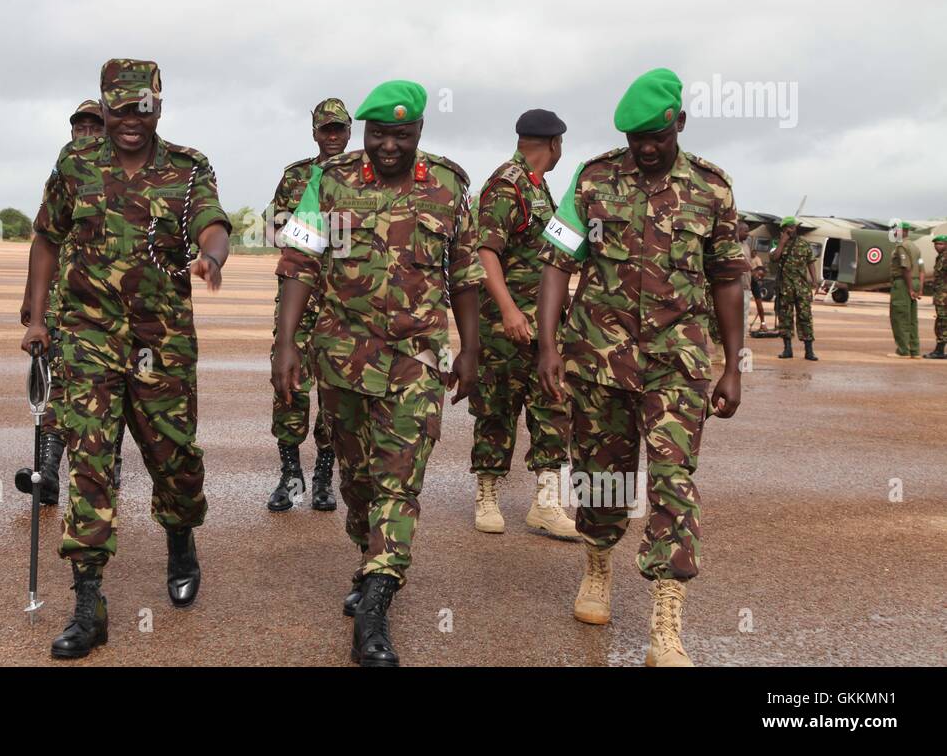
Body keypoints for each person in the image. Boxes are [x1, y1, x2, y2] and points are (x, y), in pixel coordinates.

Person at [21, 59, 232, 660]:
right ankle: (89, 603)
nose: (131, 121)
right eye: (120, 109)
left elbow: (214, 224)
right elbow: (47, 236)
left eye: (142, 108)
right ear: (105, 108)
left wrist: (211, 258)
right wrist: (37, 318)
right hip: (88, 337)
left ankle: (181, 535)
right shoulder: (74, 164)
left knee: (174, 457)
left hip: (159, 343)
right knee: (89, 460)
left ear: (159, 106)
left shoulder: (188, 169)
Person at [536, 68, 748, 667]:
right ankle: (598, 566)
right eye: (636, 139)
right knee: (601, 474)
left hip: (677, 363)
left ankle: (666, 617)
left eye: (656, 136)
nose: (646, 148)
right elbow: (557, 263)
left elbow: (729, 278)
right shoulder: (593, 179)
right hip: (598, 358)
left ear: (678, 123)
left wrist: (732, 365)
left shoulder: (713, 189)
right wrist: (548, 345)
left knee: (673, 481)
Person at [272, 79, 482, 667]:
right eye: (379, 134)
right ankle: (368, 559)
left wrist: (470, 348)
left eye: (402, 134)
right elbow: (299, 263)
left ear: (420, 131)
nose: (389, 145)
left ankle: (376, 608)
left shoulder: (447, 185)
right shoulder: (329, 180)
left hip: (417, 360)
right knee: (359, 485)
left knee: (399, 482)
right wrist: (286, 345)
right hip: (342, 357)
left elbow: (464, 273)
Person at [468, 108, 577, 539]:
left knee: (553, 406)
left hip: (543, 328)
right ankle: (487, 494)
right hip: (503, 328)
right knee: (496, 408)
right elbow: (485, 251)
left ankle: (546, 502)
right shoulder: (506, 185)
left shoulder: (538, 188)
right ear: (553, 144)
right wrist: (511, 310)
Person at [16, 100, 125, 506]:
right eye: (79, 127)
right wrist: (33, 301)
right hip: (65, 300)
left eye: (93, 126)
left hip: (111, 304)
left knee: (113, 386)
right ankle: (49, 474)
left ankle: (109, 463)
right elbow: (44, 237)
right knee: (58, 382)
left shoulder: (124, 169)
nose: (85, 133)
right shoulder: (65, 170)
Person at [265, 98, 351, 512]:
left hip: (344, 300)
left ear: (350, 132)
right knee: (289, 388)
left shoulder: (362, 178)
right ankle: (290, 474)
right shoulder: (296, 176)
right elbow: (274, 229)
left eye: (339, 129)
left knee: (335, 390)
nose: (333, 137)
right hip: (299, 297)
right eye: (326, 130)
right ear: (315, 132)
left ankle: (323, 478)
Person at [770, 216, 818, 360]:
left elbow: (810, 262)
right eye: (791, 227)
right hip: (785, 288)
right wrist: (782, 242)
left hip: (802, 288)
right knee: (785, 318)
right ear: (784, 229)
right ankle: (787, 349)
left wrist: (814, 280)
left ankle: (809, 351)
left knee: (805, 317)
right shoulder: (778, 244)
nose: (794, 229)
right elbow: (774, 258)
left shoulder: (804, 244)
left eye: (795, 226)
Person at [888, 222, 922, 358]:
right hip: (914, 281)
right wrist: (919, 288)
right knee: (912, 318)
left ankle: (903, 350)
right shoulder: (915, 247)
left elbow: (905, 268)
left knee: (900, 317)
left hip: (903, 283)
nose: (894, 233)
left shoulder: (902, 246)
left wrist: (909, 289)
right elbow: (922, 269)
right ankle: (915, 350)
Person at [926, 235, 947, 359]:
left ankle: (939, 351)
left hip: (944, 297)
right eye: (936, 244)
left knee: (942, 323)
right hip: (941, 296)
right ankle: (939, 350)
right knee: (941, 321)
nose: (937, 246)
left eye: (941, 244)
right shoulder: (941, 257)